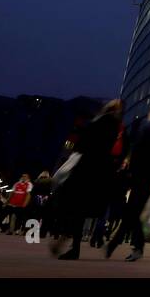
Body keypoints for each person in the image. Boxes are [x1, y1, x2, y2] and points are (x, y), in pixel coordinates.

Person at [51, 99, 123, 260]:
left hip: (86, 167)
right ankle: (70, 243)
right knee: (81, 209)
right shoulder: (115, 126)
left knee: (73, 205)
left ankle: (70, 243)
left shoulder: (101, 122)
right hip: (98, 171)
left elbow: (85, 142)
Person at [106, 104, 150, 261]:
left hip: (140, 176)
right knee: (138, 213)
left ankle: (120, 244)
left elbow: (137, 151)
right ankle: (125, 244)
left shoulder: (147, 128)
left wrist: (130, 172)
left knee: (133, 212)